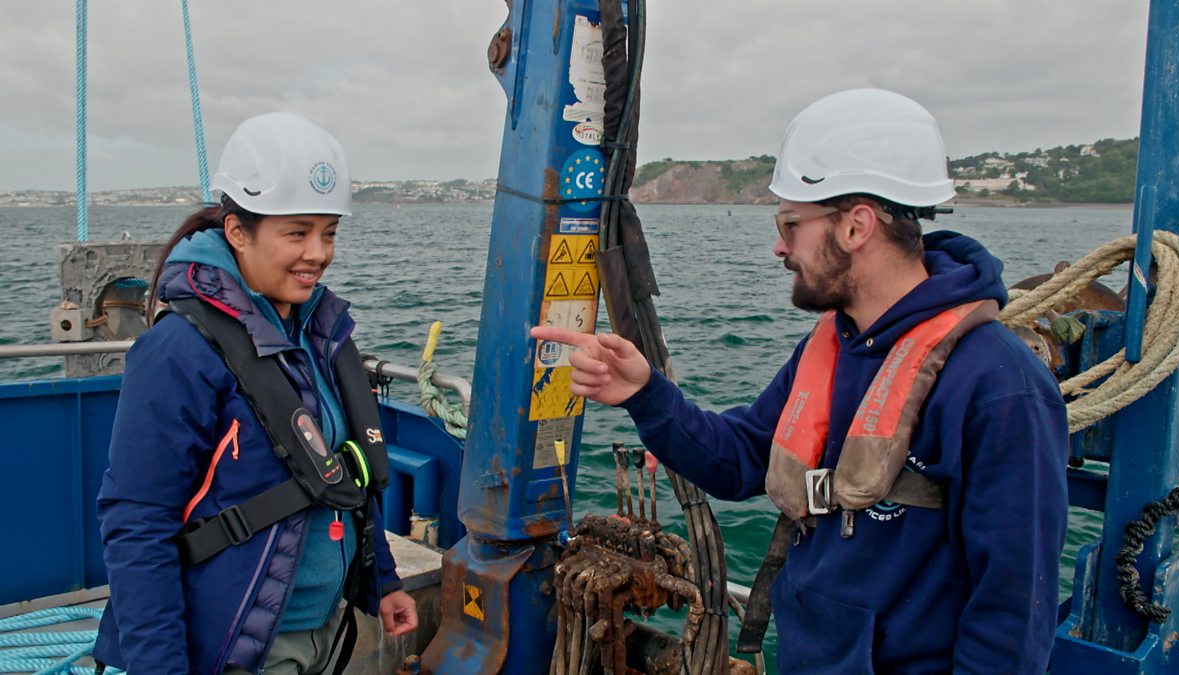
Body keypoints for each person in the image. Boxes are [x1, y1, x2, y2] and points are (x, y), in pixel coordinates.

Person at [532, 89, 1069, 672]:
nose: (779, 246)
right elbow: (740, 460)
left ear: (856, 226)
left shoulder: (1000, 386)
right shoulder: (834, 347)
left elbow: (1012, 616)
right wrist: (645, 393)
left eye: (791, 223)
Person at [94, 112, 417, 674]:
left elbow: (342, 475)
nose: (318, 253)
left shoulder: (320, 334)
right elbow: (138, 523)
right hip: (234, 645)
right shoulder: (178, 350)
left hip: (319, 632)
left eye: (329, 233)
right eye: (297, 233)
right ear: (238, 232)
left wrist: (381, 581)